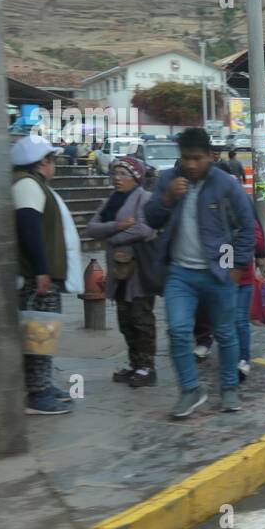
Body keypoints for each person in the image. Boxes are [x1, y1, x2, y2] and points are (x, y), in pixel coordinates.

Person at [145, 127, 254, 418]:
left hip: (218, 273)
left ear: (209, 155)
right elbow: (150, 218)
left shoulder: (226, 184)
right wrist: (167, 198)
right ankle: (190, 390)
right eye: (185, 159)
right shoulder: (168, 179)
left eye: (196, 158)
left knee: (226, 334)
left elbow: (246, 226)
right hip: (179, 273)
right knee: (178, 331)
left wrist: (235, 266)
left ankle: (229, 387)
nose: (190, 165)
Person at [12, 134, 73, 415]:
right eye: (52, 159)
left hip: (43, 274)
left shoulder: (32, 184)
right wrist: (41, 270)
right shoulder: (27, 185)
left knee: (44, 331)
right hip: (38, 277)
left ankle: (42, 385)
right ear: (42, 162)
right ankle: (36, 394)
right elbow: (29, 227)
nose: (55, 165)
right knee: (39, 333)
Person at [83, 156, 158, 387]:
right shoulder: (111, 202)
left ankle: (147, 367)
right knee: (125, 320)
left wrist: (112, 237)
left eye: (123, 174)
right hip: (118, 272)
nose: (117, 178)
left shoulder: (144, 199)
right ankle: (134, 363)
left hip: (138, 270)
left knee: (141, 318)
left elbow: (144, 228)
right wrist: (118, 226)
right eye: (115, 173)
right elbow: (92, 228)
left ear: (135, 177)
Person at [235, 200, 265, 382]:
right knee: (229, 322)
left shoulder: (243, 204)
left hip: (242, 275)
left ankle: (243, 359)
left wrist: (260, 256)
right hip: (221, 276)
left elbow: (257, 237)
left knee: (239, 320)